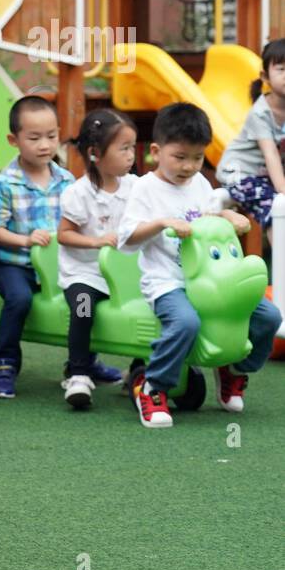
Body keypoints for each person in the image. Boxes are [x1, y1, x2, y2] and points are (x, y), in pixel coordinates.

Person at [118, 103, 281, 428]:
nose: (189, 166)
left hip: (211, 281)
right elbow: (127, 238)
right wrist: (162, 222)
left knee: (269, 316)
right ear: (156, 151)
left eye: (197, 158)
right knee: (186, 323)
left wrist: (227, 215)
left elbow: (206, 219)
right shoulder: (144, 189)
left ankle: (234, 369)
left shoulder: (200, 185)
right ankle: (154, 387)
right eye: (180, 157)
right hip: (168, 282)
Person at [0, 96, 74, 398]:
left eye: (51, 136)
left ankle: (83, 364)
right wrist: (26, 240)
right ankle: (4, 364)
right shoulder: (5, 184)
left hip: (57, 266)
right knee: (19, 300)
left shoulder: (67, 180)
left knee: (85, 298)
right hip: (13, 264)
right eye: (34, 138)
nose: (45, 145)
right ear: (14, 139)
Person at [57, 109, 136, 408]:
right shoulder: (78, 193)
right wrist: (97, 241)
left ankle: (141, 369)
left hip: (126, 274)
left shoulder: (136, 187)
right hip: (84, 273)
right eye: (124, 148)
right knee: (83, 309)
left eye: (132, 147)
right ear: (95, 153)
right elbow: (64, 234)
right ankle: (78, 373)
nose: (131, 155)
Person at [216, 38, 285, 240]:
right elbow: (271, 154)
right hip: (240, 173)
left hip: (265, 176)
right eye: (281, 69)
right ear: (265, 76)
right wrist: (282, 189)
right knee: (275, 207)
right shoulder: (260, 113)